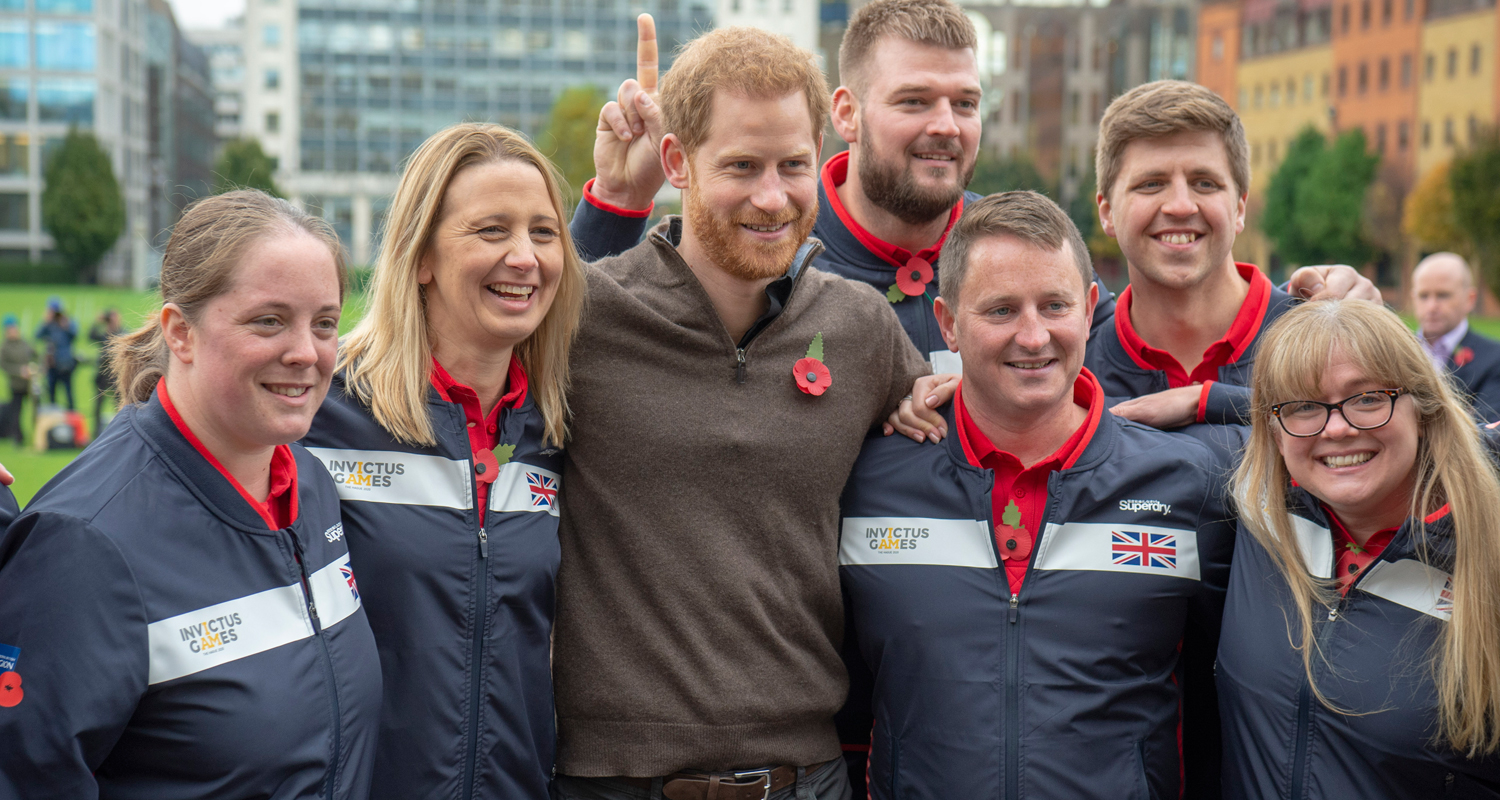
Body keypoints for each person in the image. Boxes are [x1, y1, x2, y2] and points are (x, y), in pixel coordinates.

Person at [575, 2, 1376, 444]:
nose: (947, 126)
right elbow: (587, 342)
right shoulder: (764, 248)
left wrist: (1329, 333)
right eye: (916, 101)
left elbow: (1127, 402)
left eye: (966, 103)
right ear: (846, 113)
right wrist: (616, 202)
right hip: (822, 699)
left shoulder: (1026, 264)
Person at [551, 27, 929, 800]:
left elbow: (972, 445)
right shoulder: (586, 316)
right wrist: (606, 204)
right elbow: (444, 350)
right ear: (678, 164)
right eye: (741, 167)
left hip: (808, 778)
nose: (772, 196)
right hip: (612, 780)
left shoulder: (862, 328)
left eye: (793, 165)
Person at [837, 191, 1235, 799]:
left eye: (1055, 306)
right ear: (947, 323)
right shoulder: (870, 480)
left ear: (1089, 308)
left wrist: (1215, 398)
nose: (1033, 335)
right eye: (1000, 310)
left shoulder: (1185, 482)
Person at [0, 190, 381, 799]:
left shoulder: (309, 485)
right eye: (269, 320)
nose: (306, 353)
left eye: (325, 323)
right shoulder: (85, 543)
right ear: (181, 332)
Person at [300, 123, 585, 800]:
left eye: (544, 233)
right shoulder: (320, 406)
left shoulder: (557, 425)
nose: (525, 257)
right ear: (421, 255)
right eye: (492, 231)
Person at [1219, 299, 1500, 798]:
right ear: (1274, 430)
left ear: (1423, 407)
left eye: (1368, 397)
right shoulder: (1255, 508)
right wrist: (1204, 400)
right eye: (1303, 406)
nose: (1337, 427)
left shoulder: (1487, 543)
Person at [1088, 81, 1382, 430]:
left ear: (1239, 208)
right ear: (1106, 212)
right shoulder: (1071, 371)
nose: (1181, 206)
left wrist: (1205, 401)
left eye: (1205, 183)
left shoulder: (1322, 338)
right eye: (1151, 183)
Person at [1411, 252, 1500, 419]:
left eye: (1443, 295)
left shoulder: (1494, 358)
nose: (1431, 306)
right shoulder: (1396, 350)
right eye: (1423, 296)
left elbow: (1487, 430)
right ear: (1413, 298)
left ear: (1470, 299)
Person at [35, 297, 76, 410]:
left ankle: (71, 414)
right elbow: (37, 335)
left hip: (65, 363)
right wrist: (45, 322)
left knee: (69, 392)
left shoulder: (66, 322)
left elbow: (75, 334)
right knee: (51, 392)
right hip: (52, 363)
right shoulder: (48, 325)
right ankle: (53, 414)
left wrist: (66, 324)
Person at [0, 316, 34, 446]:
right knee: (16, 411)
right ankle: (18, 437)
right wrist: (19, 371)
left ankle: (38, 435)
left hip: (30, 383)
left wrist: (32, 367)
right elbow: (4, 366)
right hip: (16, 384)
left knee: (36, 408)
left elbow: (34, 354)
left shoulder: (24, 342)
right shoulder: (4, 347)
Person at [90, 306, 124, 435]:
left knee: (119, 404)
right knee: (98, 406)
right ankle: (96, 432)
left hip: (116, 375)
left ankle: (119, 431)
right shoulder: (104, 333)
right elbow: (90, 335)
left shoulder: (122, 332)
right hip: (102, 374)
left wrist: (116, 324)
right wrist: (97, 322)